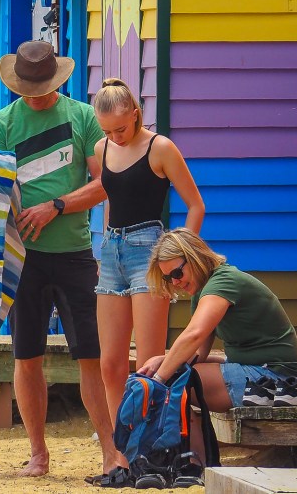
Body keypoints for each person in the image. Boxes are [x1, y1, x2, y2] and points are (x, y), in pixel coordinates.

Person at [0, 40, 128, 485]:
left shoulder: (82, 116)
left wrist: (56, 206)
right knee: (27, 357)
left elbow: (106, 184)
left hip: (75, 255)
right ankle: (38, 453)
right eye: (30, 88)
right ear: (18, 84)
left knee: (91, 356)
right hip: (22, 258)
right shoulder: (0, 125)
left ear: (57, 80)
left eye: (44, 86)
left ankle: (110, 451)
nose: (38, 95)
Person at [91, 78, 205, 419]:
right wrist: (103, 251)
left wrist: (181, 257)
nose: (115, 137)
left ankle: (149, 448)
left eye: (121, 129)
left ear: (137, 115)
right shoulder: (102, 149)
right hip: (111, 251)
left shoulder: (161, 148)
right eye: (107, 131)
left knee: (150, 363)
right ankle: (121, 451)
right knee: (110, 363)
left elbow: (196, 206)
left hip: (150, 253)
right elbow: (113, 199)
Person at [139, 230, 297, 437]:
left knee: (171, 382)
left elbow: (194, 334)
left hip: (276, 380)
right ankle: (193, 462)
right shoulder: (203, 289)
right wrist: (163, 360)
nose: (175, 282)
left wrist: (158, 381)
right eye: (168, 278)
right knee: (174, 376)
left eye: (177, 274)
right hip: (254, 372)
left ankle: (193, 463)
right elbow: (197, 354)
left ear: (195, 257)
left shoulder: (224, 282)